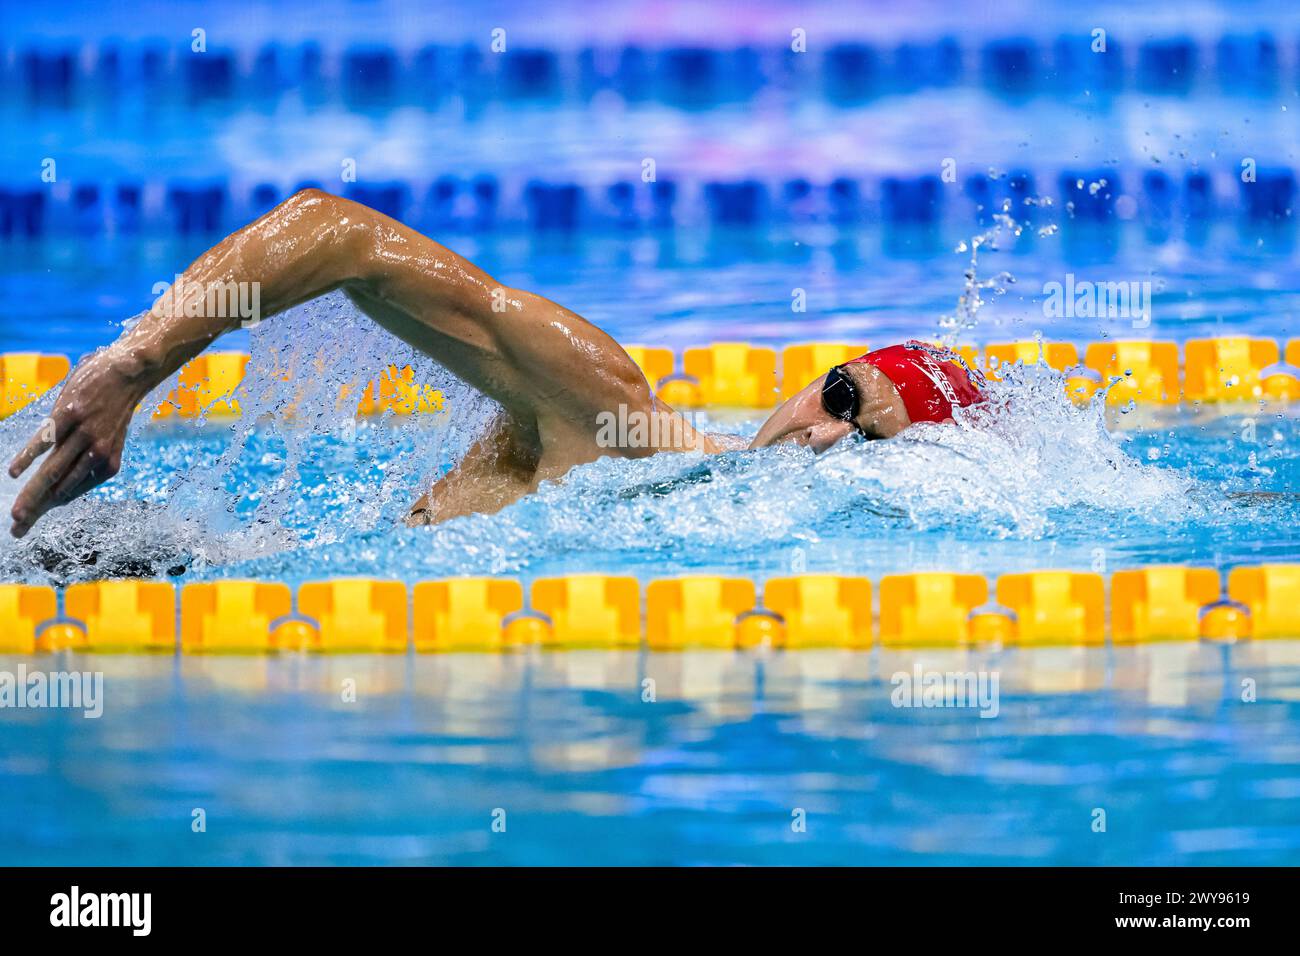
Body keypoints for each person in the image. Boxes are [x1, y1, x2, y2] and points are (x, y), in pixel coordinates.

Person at [7, 189, 984, 538]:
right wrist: (134, 366)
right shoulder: (610, 414)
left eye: (862, 443)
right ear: (819, 375)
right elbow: (336, 233)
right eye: (843, 396)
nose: (819, 435)